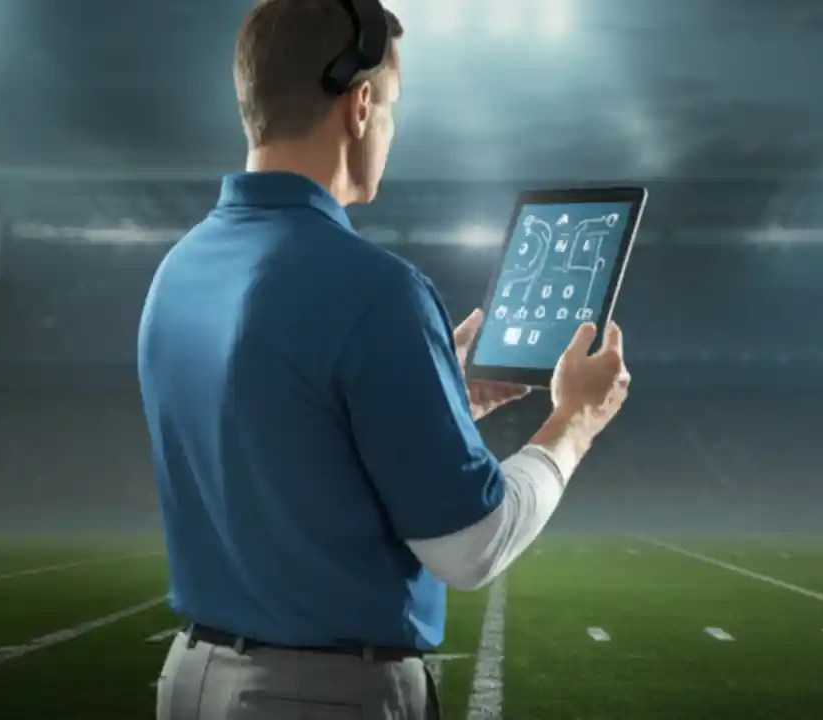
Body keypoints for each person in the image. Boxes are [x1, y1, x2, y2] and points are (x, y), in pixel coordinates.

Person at [136, 1, 630, 717]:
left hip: (192, 680)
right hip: (321, 696)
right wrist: (576, 420)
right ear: (360, 105)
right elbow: (472, 549)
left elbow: (289, 434)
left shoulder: (177, 271)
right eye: (393, 106)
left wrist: (442, 394)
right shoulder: (375, 290)